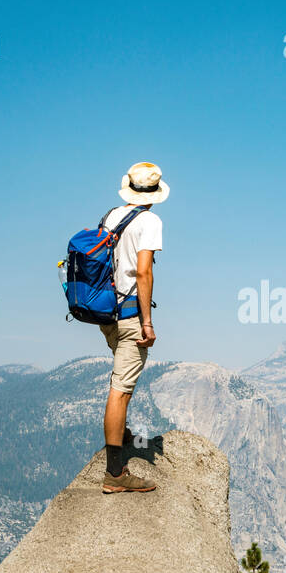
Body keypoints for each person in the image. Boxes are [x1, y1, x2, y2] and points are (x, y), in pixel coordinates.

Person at [99, 162, 167, 493]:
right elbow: (143, 273)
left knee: (122, 374)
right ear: (154, 194)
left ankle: (121, 434)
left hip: (105, 312)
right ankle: (115, 474)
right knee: (121, 388)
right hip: (129, 314)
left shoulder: (112, 216)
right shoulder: (150, 221)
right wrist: (147, 322)